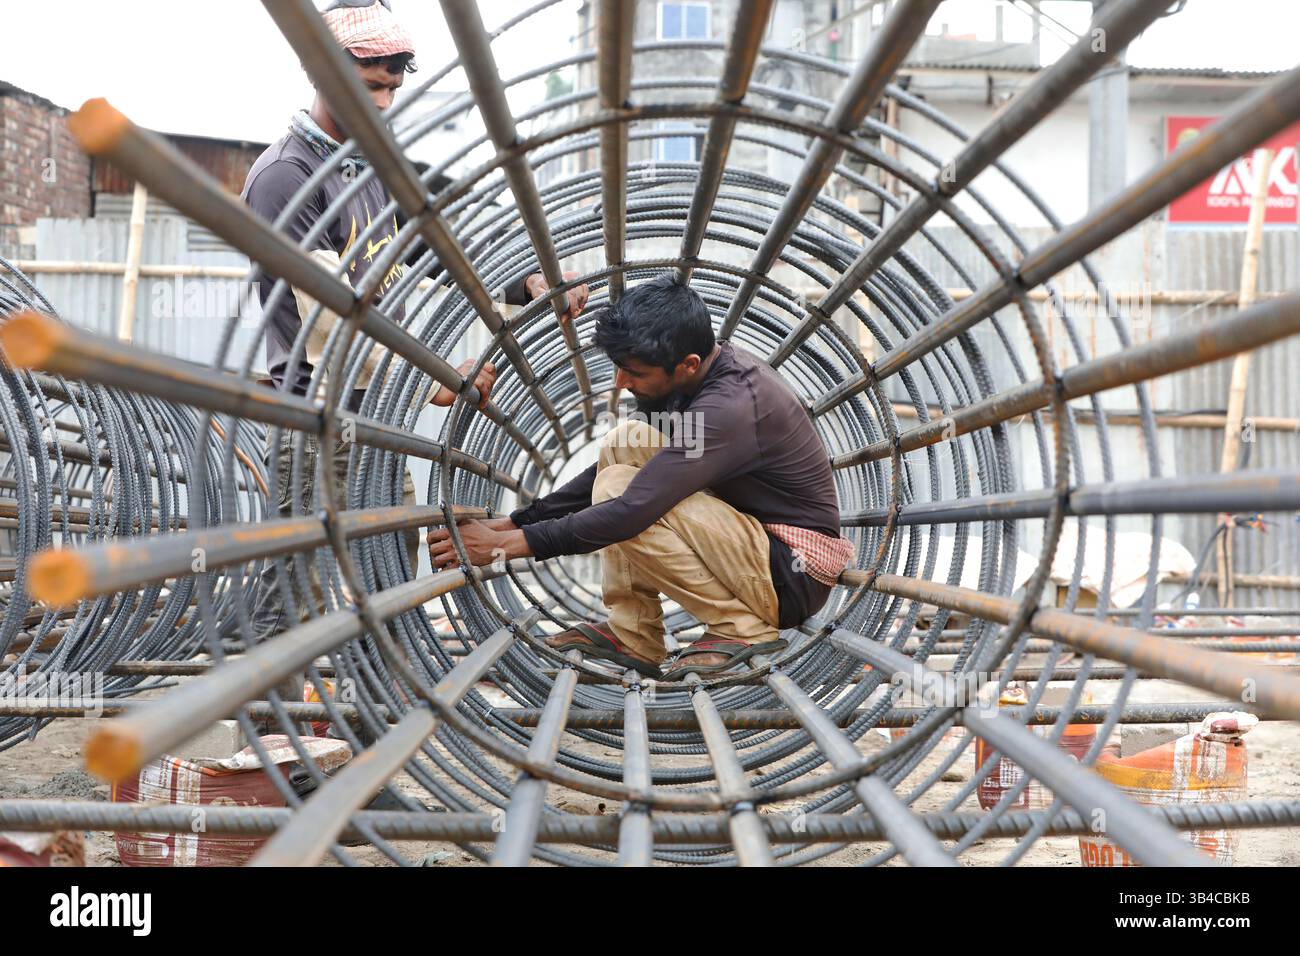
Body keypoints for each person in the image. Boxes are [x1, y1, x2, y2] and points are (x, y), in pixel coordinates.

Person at [241, 0, 588, 649]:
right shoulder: (286, 177)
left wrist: (526, 284)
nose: (384, 102)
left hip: (374, 413)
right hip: (317, 416)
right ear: (321, 72)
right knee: (303, 582)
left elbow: (433, 253)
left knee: (386, 570)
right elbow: (326, 318)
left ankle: (371, 712)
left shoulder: (367, 167)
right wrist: (429, 376)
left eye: (392, 88)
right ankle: (277, 724)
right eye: (370, 86)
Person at [428, 274, 854, 681]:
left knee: (619, 490)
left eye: (634, 372)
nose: (620, 381)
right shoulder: (689, 380)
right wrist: (516, 523)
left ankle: (739, 626)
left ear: (686, 364)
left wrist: (505, 547)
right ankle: (635, 636)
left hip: (790, 574)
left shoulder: (729, 406)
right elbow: (614, 474)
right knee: (625, 443)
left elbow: (632, 510)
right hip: (750, 549)